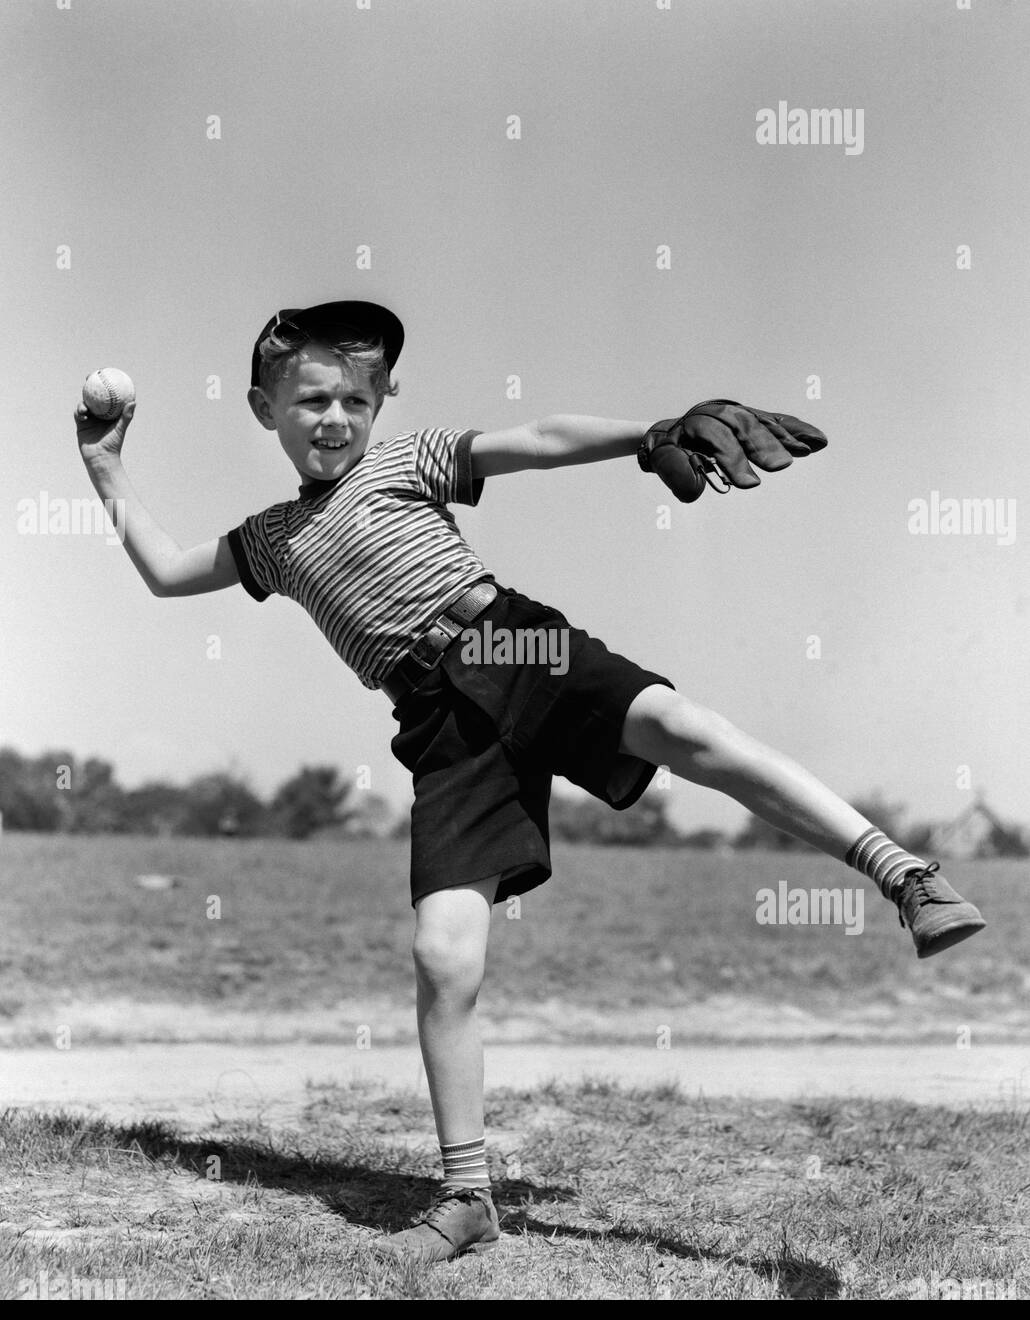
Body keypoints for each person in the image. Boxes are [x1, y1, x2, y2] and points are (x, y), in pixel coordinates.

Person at [75, 298, 987, 1262]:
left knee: (683, 728)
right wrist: (104, 468)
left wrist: (653, 435)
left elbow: (537, 439)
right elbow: (170, 572)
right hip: (437, 725)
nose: (335, 418)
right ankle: (467, 1196)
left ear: (382, 404)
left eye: (356, 397)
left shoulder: (403, 461)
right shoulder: (270, 540)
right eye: (309, 401)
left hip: (512, 638)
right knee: (443, 955)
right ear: (264, 408)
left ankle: (906, 876)